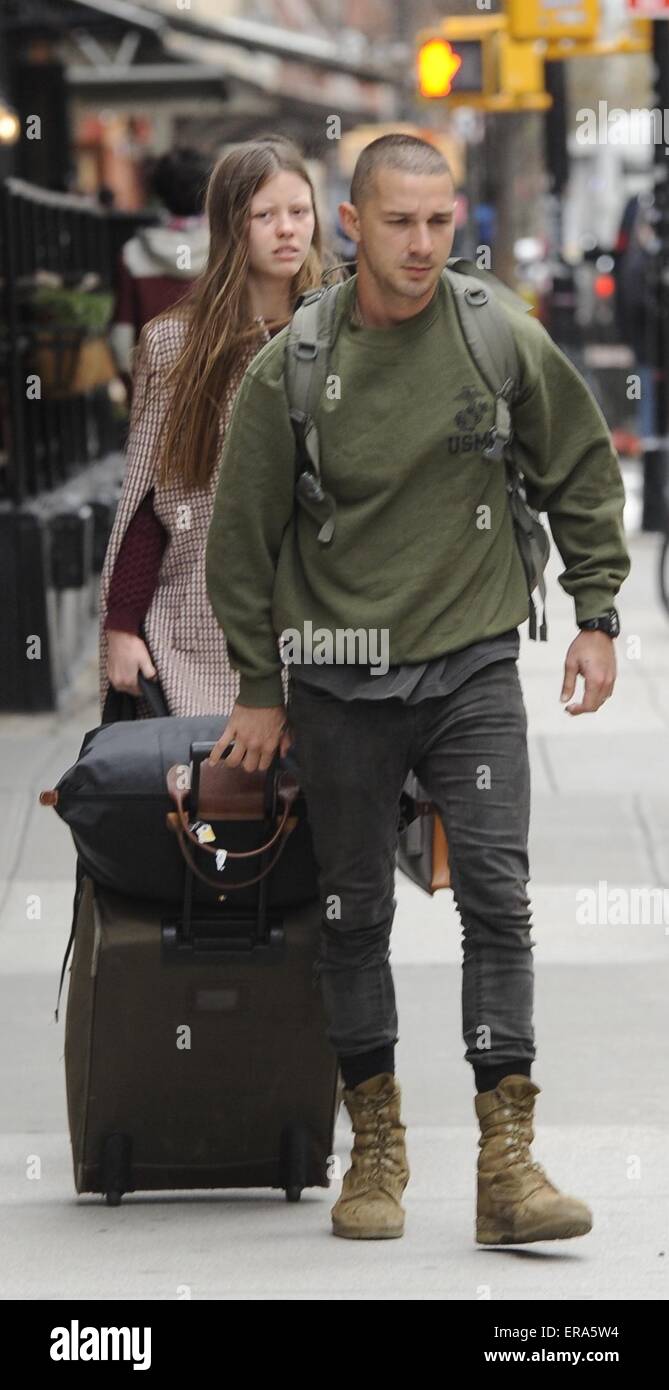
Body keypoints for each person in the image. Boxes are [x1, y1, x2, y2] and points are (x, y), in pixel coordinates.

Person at [204, 132, 631, 1244]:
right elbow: (240, 547)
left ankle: (507, 1163)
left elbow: (581, 467)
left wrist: (595, 612)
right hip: (340, 679)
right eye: (399, 222)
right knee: (354, 912)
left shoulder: (496, 334)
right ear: (353, 225)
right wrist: (261, 685)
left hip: (474, 658)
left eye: (441, 222)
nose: (423, 243)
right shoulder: (291, 365)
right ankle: (376, 1150)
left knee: (498, 898)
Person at [99, 136, 325, 716]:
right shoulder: (176, 344)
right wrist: (123, 626)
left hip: (327, 629)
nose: (286, 230)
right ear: (230, 226)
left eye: (298, 212)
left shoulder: (346, 337)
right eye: (264, 215)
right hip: (199, 626)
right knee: (208, 797)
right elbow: (149, 496)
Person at [109, 148, 212, 383]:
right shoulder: (228, 249)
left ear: (159, 192)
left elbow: (121, 337)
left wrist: (134, 385)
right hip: (213, 379)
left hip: (154, 382)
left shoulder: (132, 254)